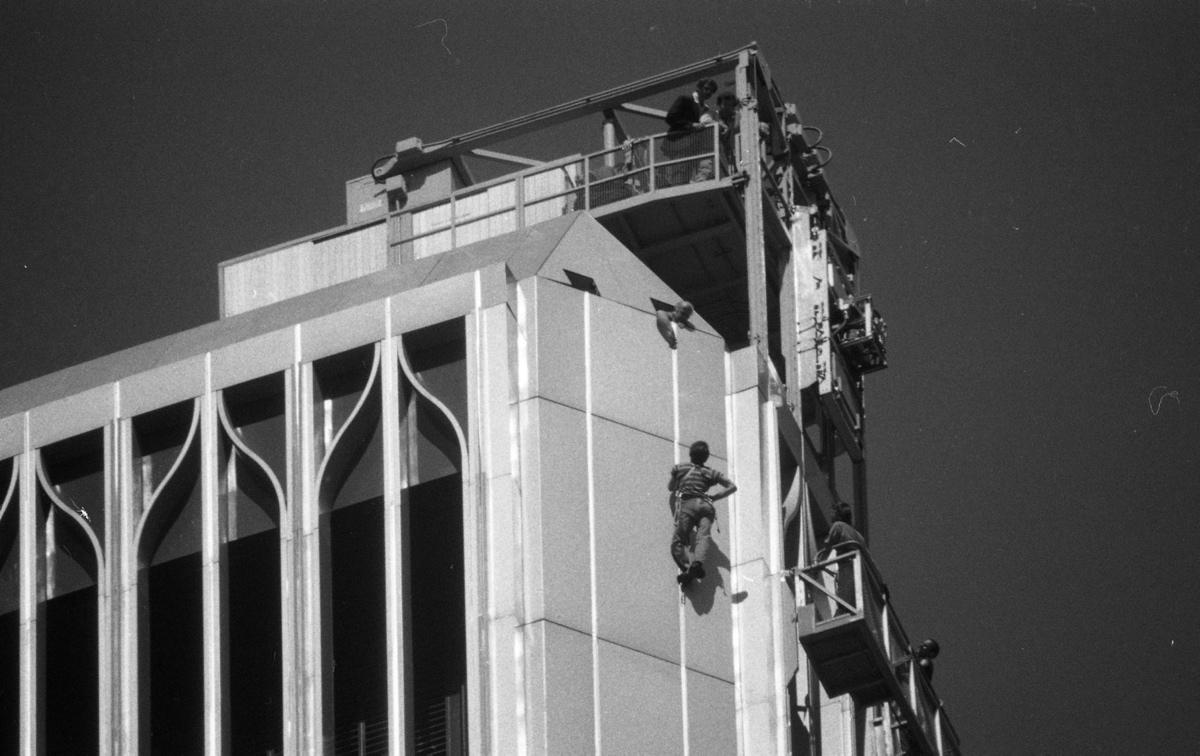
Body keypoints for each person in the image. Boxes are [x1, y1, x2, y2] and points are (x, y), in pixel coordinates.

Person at [669, 440, 737, 587]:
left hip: (688, 505)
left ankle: (687, 568)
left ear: (691, 454)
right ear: (706, 458)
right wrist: (714, 497)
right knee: (703, 536)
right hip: (706, 506)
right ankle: (697, 564)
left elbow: (671, 487)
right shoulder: (710, 472)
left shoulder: (680, 468)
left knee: (679, 540)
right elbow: (732, 486)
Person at [662, 79, 718, 185]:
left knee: (694, 169)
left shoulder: (706, 109)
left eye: (712, 91)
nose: (708, 92)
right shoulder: (685, 100)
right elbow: (671, 118)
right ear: (699, 88)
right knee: (680, 172)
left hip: (694, 145)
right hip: (680, 143)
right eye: (706, 89)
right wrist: (691, 125)